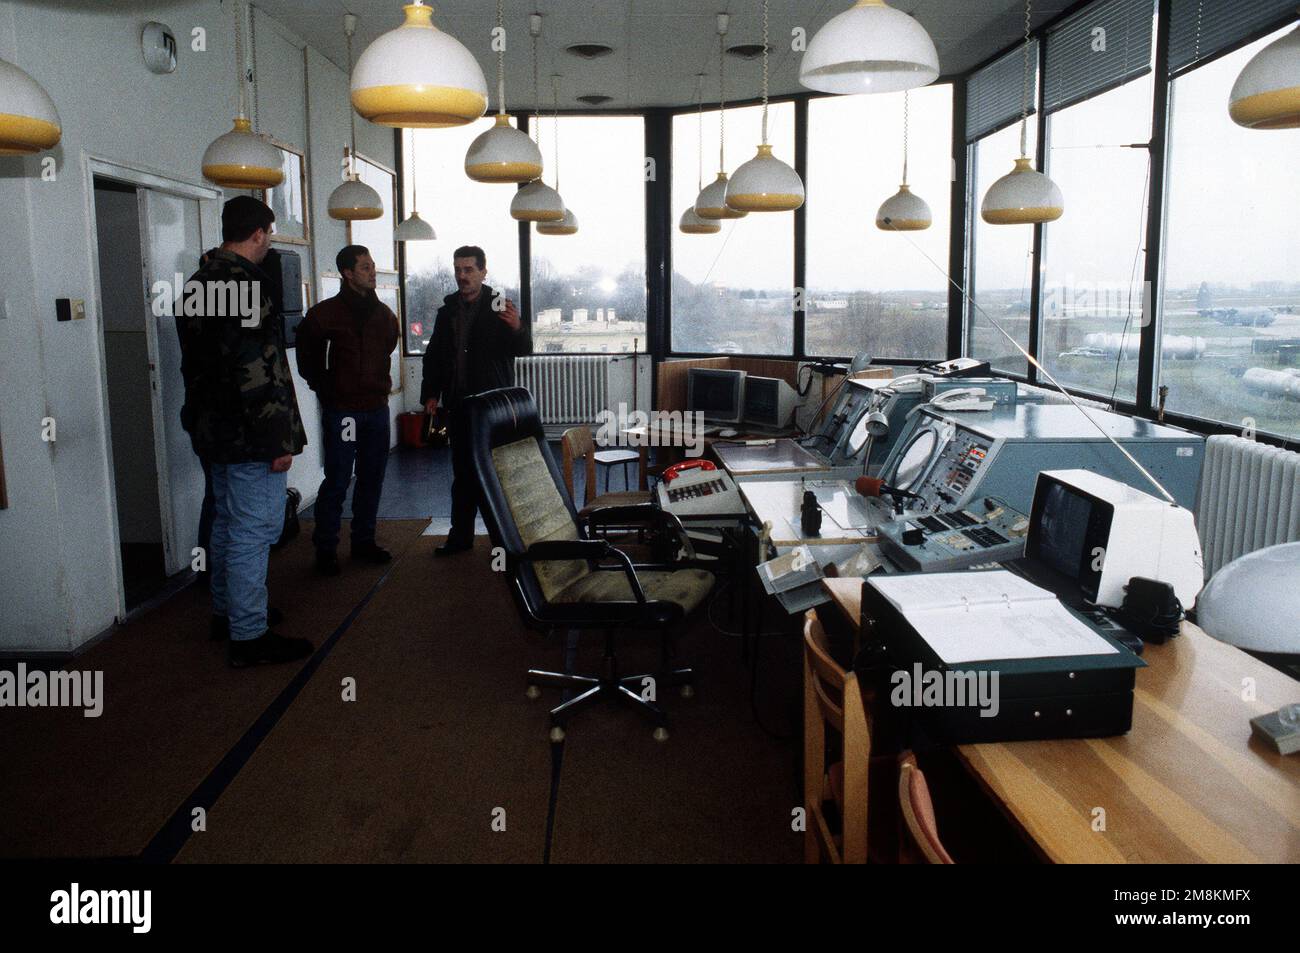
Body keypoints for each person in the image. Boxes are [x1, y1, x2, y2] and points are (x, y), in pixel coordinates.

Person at [176, 195, 312, 667]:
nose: (269, 241)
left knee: (226, 522)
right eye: (269, 234)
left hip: (211, 430)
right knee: (254, 531)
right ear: (258, 233)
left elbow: (198, 365)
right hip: (251, 434)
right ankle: (249, 635)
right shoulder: (247, 288)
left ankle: (227, 613)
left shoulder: (197, 284)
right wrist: (277, 440)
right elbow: (258, 372)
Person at [295, 245, 399, 575]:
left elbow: (388, 348)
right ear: (348, 273)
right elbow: (307, 360)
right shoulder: (323, 316)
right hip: (343, 413)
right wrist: (327, 391)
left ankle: (363, 542)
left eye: (373, 266)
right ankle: (326, 548)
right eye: (365, 267)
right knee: (338, 478)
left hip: (376, 410)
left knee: (372, 478)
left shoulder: (385, 316)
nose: (372, 272)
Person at [420, 245, 527, 556]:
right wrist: (430, 394)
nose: (462, 276)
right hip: (459, 406)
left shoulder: (499, 304)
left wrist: (517, 327)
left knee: (498, 474)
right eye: (458, 270)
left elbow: (524, 348)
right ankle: (460, 537)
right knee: (464, 475)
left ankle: (506, 542)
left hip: (492, 407)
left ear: (483, 272)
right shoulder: (448, 311)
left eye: (468, 270)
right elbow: (434, 357)